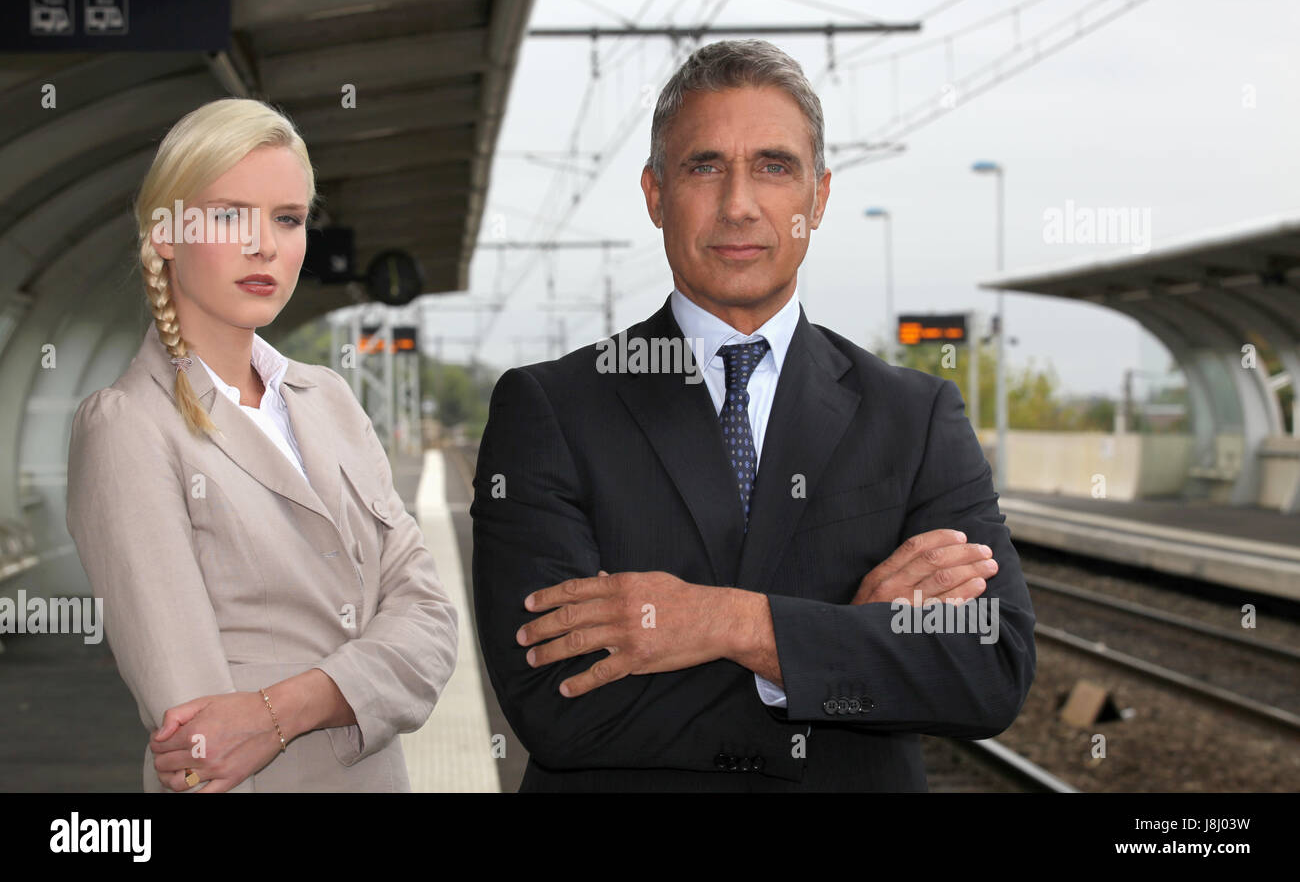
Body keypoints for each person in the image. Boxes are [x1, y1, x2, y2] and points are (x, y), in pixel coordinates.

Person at [471, 39, 1035, 791]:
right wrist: (843, 640)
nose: (739, 204)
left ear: (818, 198)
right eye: (705, 166)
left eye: (774, 166)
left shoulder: (915, 415)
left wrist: (731, 623)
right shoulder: (551, 410)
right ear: (655, 194)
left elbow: (991, 667)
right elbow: (561, 706)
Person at [65, 98, 458, 792]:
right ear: (165, 233)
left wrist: (281, 709)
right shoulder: (127, 426)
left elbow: (430, 624)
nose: (265, 246)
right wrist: (359, 682)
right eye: (228, 216)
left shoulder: (329, 399)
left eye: (288, 219)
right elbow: (200, 742)